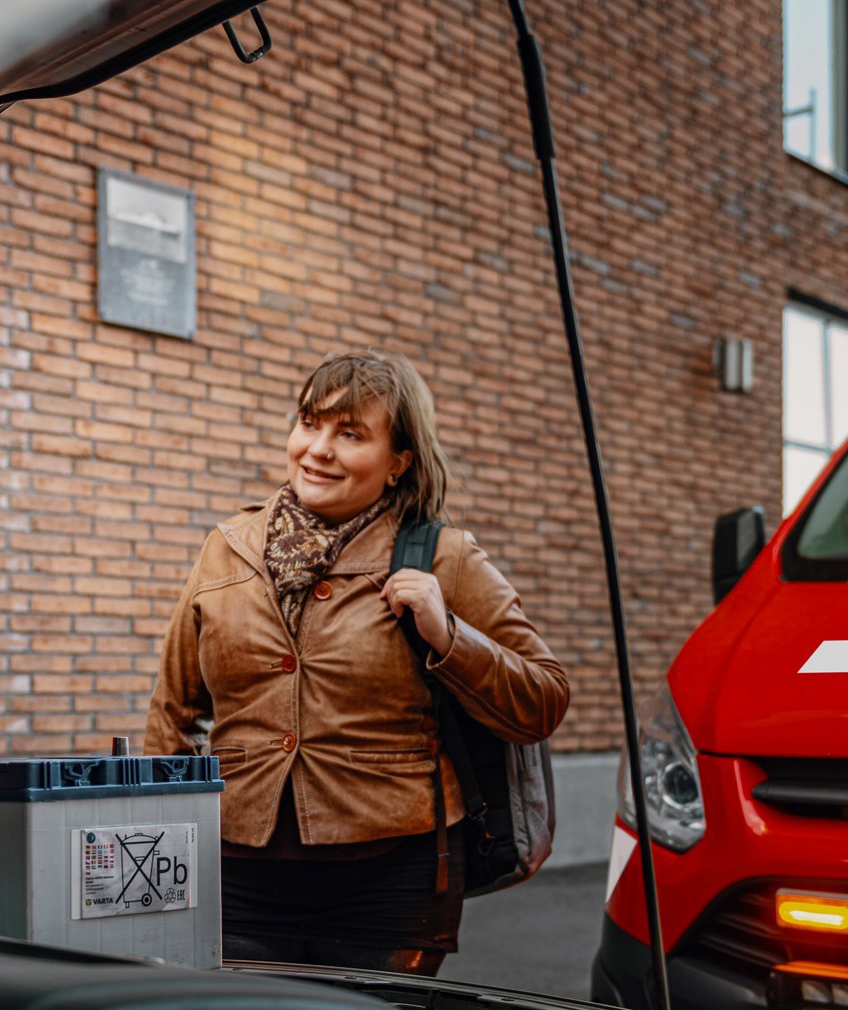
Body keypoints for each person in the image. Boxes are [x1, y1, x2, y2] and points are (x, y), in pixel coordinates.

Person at [146, 350, 568, 974]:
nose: (318, 449)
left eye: (350, 434)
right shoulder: (225, 549)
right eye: (309, 423)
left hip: (392, 877)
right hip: (235, 870)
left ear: (398, 462)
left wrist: (447, 635)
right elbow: (174, 713)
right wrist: (163, 839)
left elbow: (543, 698)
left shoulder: (442, 557)